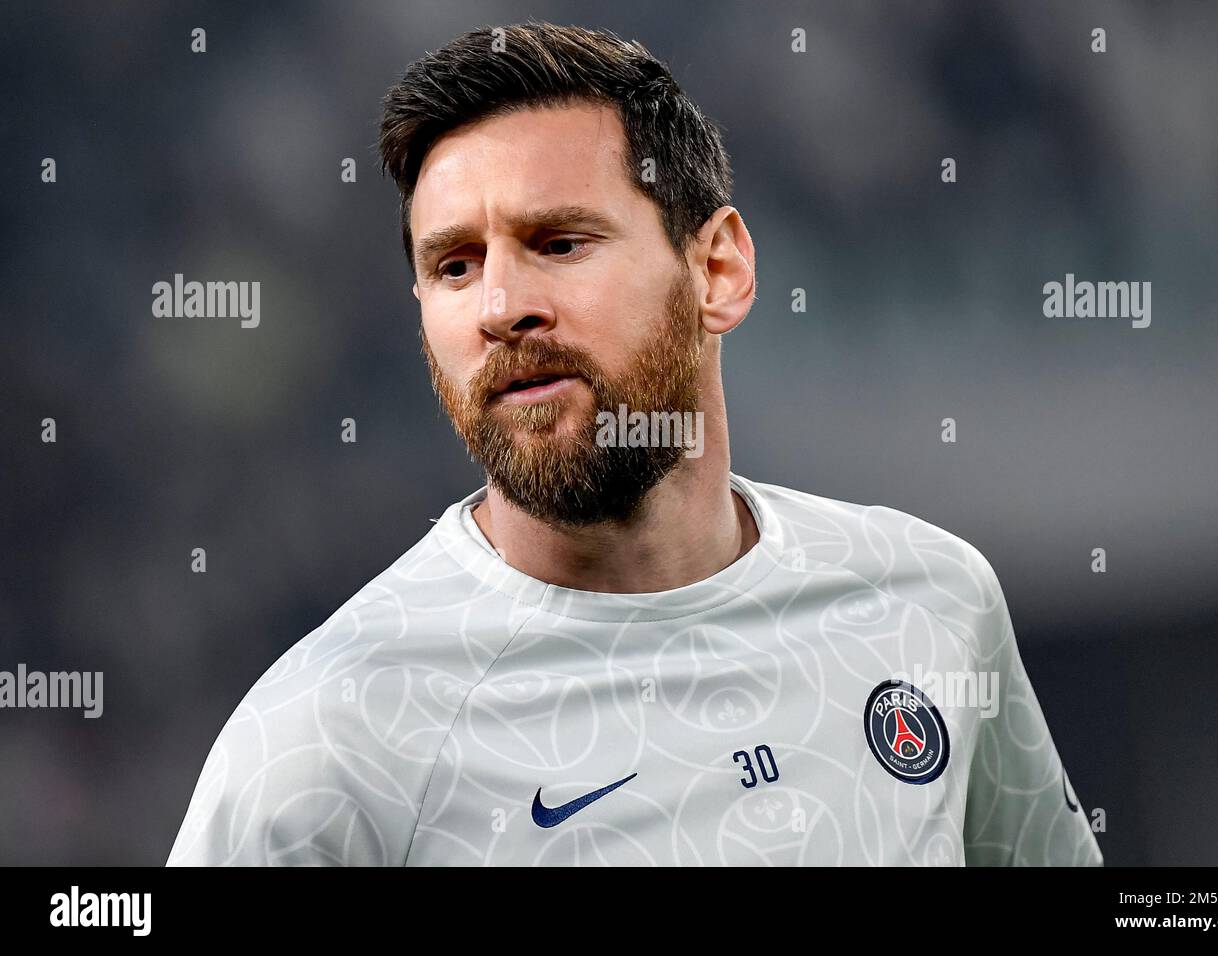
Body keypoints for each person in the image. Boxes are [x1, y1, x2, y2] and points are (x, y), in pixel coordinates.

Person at [167, 21, 1102, 866]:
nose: (500, 308)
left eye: (560, 242)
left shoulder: (930, 602)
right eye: (454, 266)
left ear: (718, 272)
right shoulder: (330, 737)